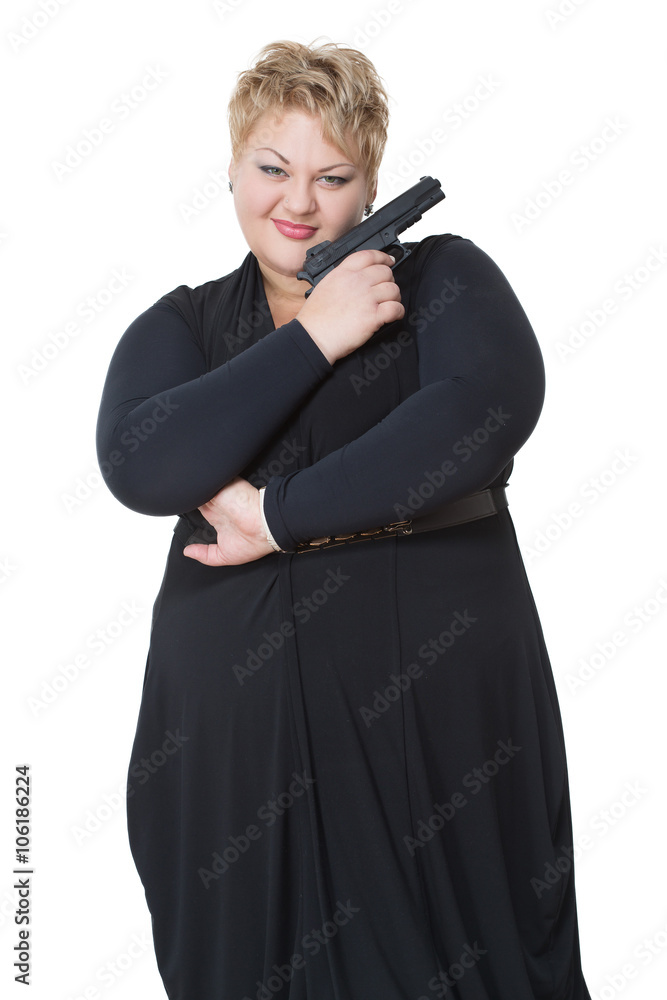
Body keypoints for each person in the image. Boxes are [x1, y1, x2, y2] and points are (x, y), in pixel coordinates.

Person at [96, 39, 593, 1000]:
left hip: (435, 734)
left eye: (333, 176)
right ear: (232, 168)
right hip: (231, 759)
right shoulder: (185, 326)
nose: (299, 202)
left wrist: (279, 516)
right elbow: (142, 461)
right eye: (272, 169)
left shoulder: (441, 278)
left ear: (369, 187)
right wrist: (318, 333)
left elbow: (483, 408)